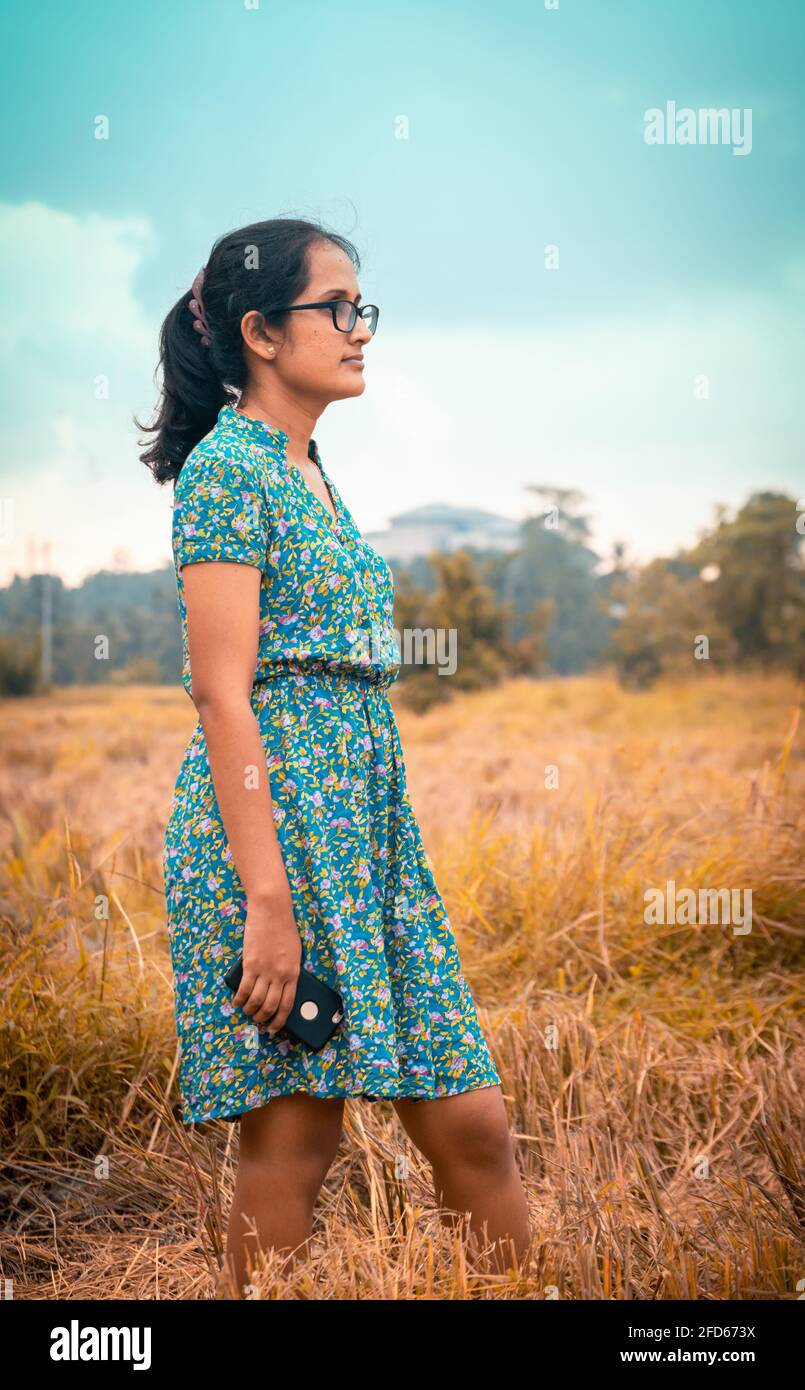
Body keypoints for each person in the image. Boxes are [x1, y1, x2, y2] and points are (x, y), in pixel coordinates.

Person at [138, 217, 531, 1293]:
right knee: (294, 1141)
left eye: (363, 308)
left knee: (473, 1122)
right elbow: (223, 693)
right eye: (337, 307)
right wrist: (268, 896)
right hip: (278, 836)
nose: (360, 329)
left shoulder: (310, 468)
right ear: (263, 332)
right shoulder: (227, 471)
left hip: (368, 831)